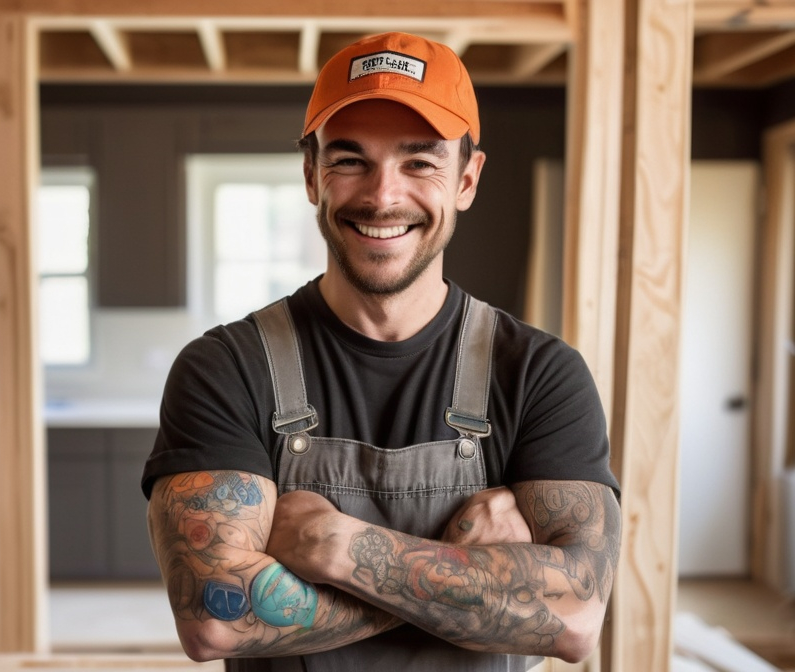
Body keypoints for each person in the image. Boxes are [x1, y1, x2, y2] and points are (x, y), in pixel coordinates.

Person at [141, 31, 621, 672]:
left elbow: (574, 617)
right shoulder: (227, 367)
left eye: (420, 162)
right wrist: (481, 579)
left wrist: (332, 545)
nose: (382, 195)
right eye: (350, 160)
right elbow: (215, 620)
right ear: (312, 176)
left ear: (466, 181)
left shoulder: (540, 374)